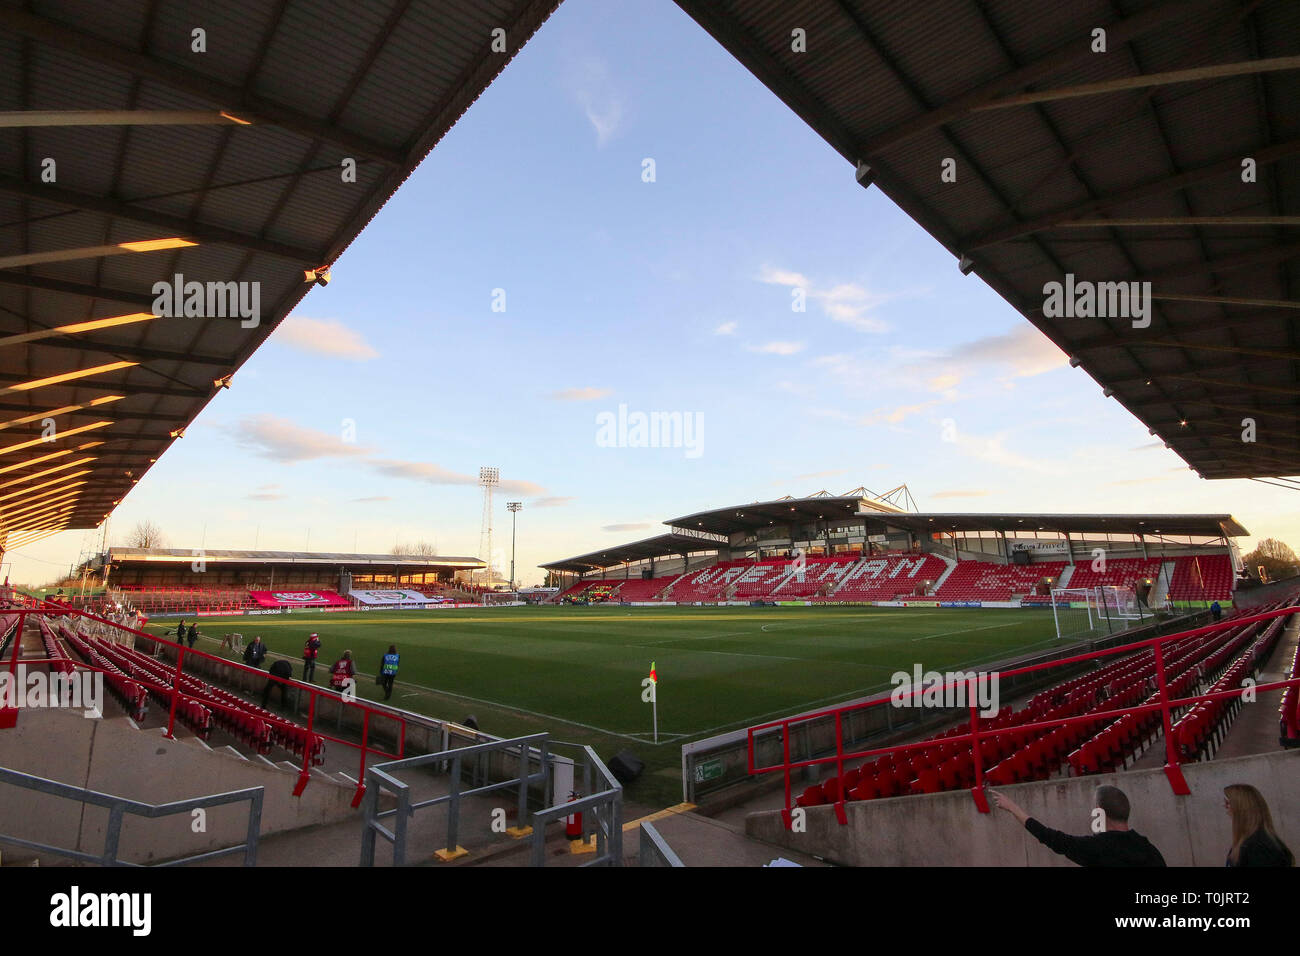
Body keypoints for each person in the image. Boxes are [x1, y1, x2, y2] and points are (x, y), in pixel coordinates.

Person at [990, 785, 1166, 867]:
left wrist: (1012, 808)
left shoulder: (1096, 848)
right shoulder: (1149, 849)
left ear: (1099, 812)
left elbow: (1049, 837)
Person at [1224, 784, 1294, 866]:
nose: (1225, 806)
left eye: (1227, 802)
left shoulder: (1259, 847)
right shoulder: (1247, 843)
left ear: (1241, 807)